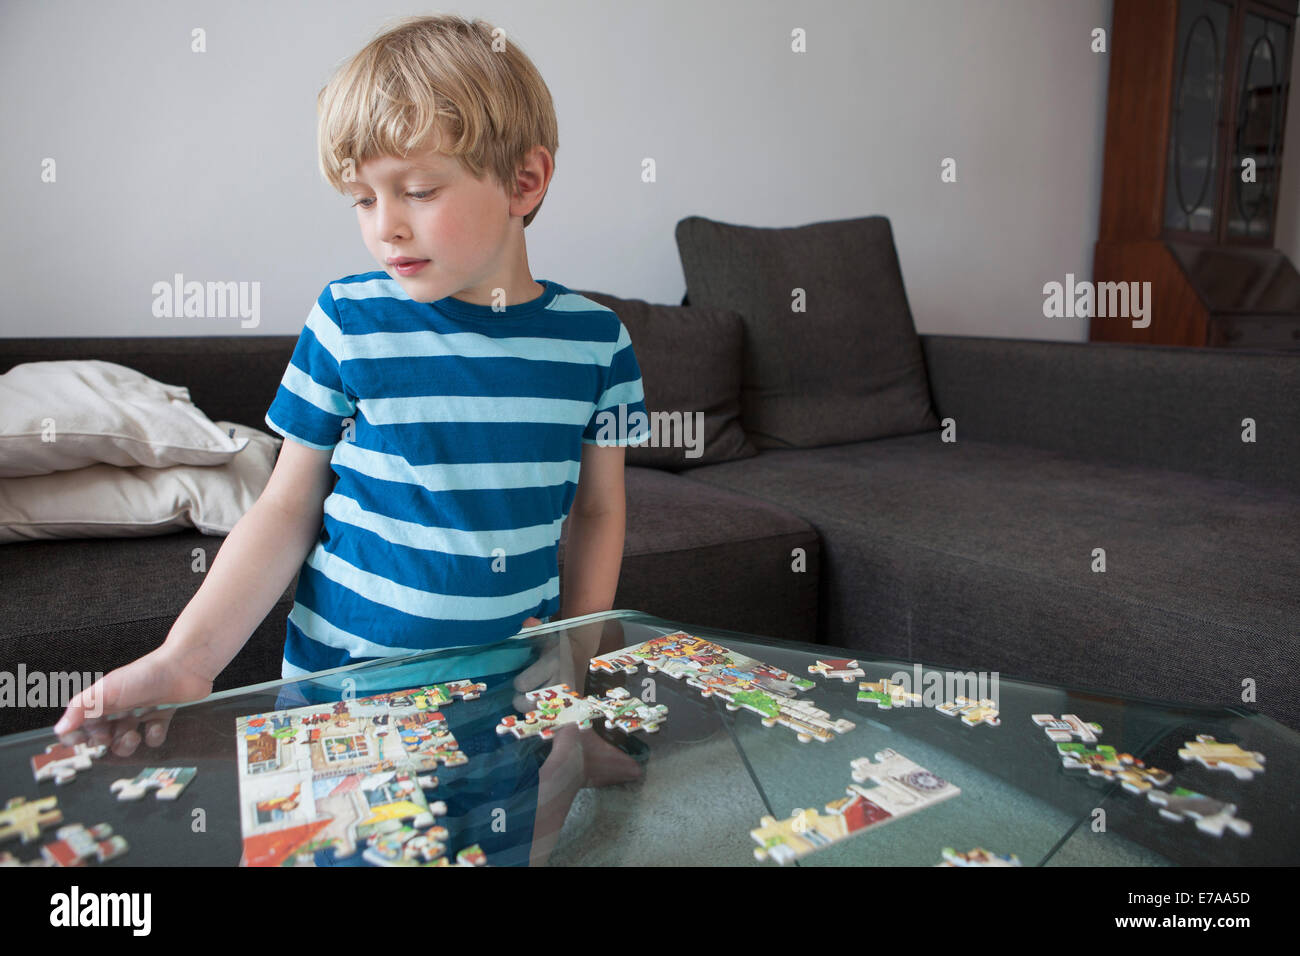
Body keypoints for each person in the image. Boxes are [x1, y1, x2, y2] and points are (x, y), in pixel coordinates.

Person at [55, 15, 650, 764]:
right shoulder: (347, 318)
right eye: (363, 200)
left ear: (523, 182)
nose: (386, 228)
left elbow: (598, 511)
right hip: (341, 693)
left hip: (508, 691)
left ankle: (580, 755)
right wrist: (186, 659)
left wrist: (576, 653)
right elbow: (285, 504)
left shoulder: (597, 343)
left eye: (418, 190)